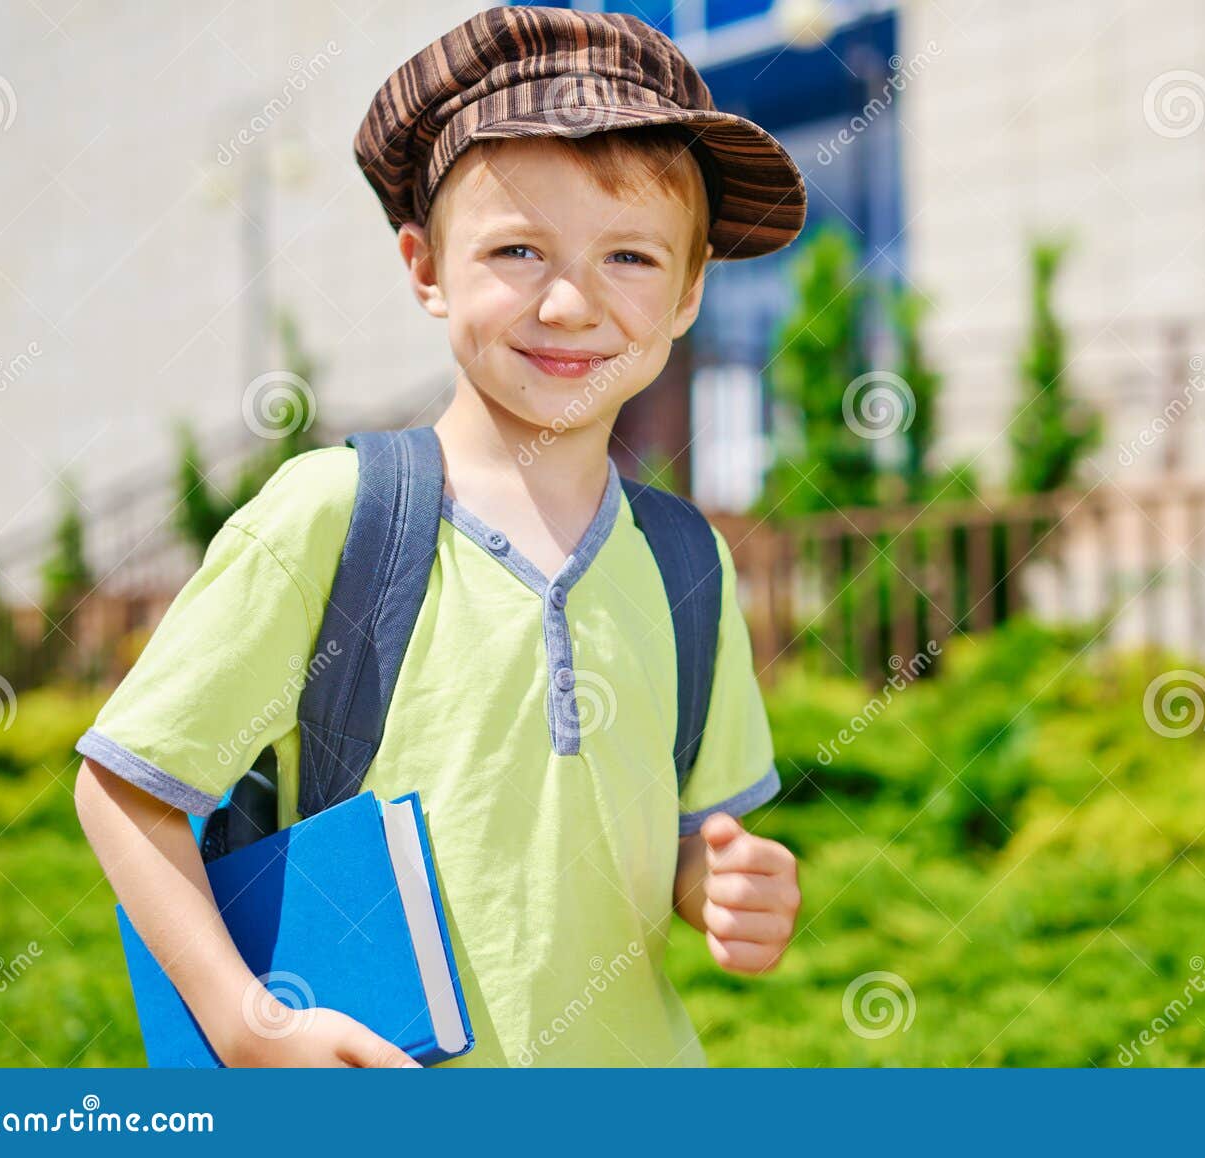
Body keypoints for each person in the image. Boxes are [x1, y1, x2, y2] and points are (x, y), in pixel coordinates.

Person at [73, 5, 808, 1067]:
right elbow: (125, 785)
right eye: (518, 249)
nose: (571, 304)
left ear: (691, 288)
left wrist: (721, 884)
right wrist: (248, 1023)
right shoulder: (332, 514)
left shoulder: (685, 559)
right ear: (424, 267)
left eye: (633, 259)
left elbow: (683, 833)